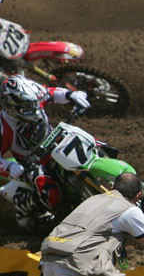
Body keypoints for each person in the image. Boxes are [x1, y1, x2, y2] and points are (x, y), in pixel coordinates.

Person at [0, 75, 90, 230]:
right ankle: (24, 207)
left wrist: (70, 95)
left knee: (90, 144)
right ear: (11, 106)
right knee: (51, 195)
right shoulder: (3, 126)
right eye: (27, 106)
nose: (34, 108)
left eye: (33, 103)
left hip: (57, 141)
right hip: (32, 163)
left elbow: (51, 93)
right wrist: (8, 167)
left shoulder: (33, 95)